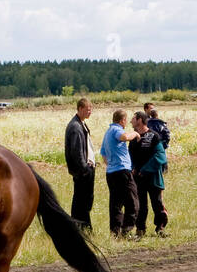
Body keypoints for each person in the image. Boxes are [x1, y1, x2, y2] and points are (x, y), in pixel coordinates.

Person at [100, 108, 140, 237]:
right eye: (126, 120)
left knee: (116, 203)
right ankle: (126, 231)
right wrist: (135, 134)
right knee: (133, 202)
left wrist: (112, 164)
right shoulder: (117, 130)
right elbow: (124, 137)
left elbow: (103, 155)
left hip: (111, 172)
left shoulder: (107, 133)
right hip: (122, 171)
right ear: (122, 120)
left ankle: (115, 232)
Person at [130, 111, 169, 235]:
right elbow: (130, 156)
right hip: (138, 178)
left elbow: (160, 155)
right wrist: (133, 167)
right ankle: (140, 229)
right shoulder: (132, 138)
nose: (131, 121)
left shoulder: (154, 136)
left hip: (152, 177)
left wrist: (145, 169)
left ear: (140, 120)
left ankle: (160, 228)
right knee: (140, 205)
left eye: (133, 119)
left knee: (157, 203)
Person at [64, 97, 96, 230]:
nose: (90, 112)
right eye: (88, 109)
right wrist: (85, 169)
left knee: (83, 200)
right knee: (82, 201)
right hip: (82, 171)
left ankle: (81, 227)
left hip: (84, 169)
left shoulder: (80, 123)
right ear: (80, 109)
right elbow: (76, 152)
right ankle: (83, 228)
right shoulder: (76, 127)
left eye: (91, 109)